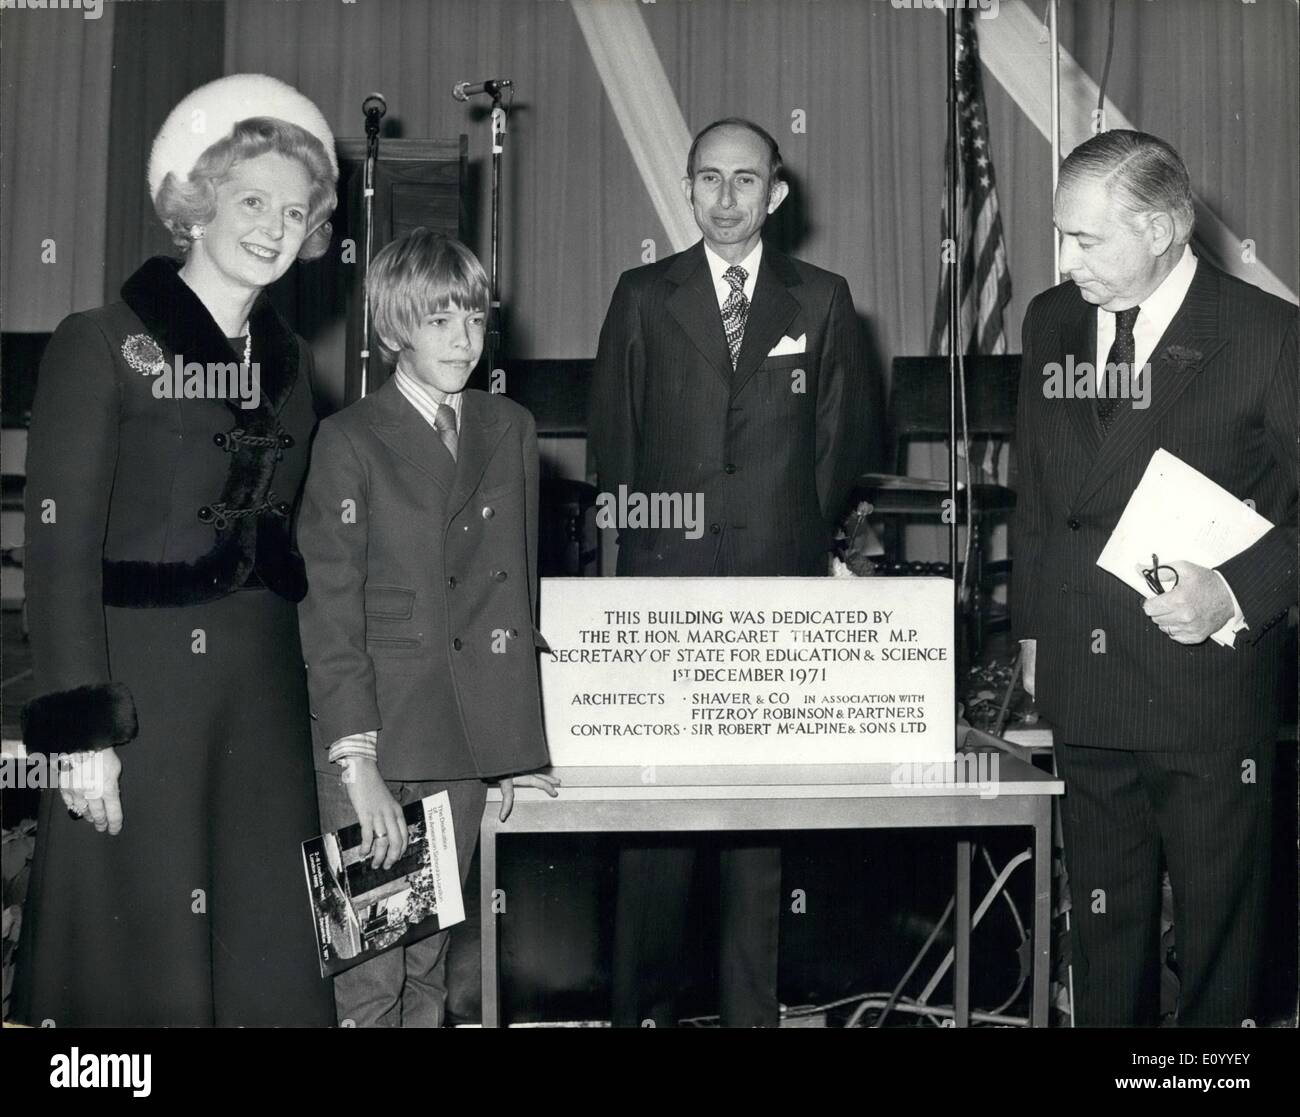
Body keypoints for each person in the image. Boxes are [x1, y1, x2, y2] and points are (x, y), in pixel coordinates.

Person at [14, 74, 340, 1026]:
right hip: (141, 703)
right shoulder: (101, 344)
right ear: (196, 207)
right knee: (142, 969)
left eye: (295, 211)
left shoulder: (290, 376)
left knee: (263, 958)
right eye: (251, 202)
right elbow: (57, 551)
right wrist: (81, 735)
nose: (276, 228)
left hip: (262, 706)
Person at [1013, 129, 1297, 1027]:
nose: (1066, 260)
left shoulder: (1269, 336)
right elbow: (1039, 491)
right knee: (1104, 929)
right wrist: (1029, 636)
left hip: (1206, 687)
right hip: (1084, 674)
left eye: (1088, 240)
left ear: (1168, 227)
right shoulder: (1050, 321)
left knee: (1219, 939)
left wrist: (1236, 589)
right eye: (1062, 234)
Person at [588, 118, 866, 1027]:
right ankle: (640, 1013)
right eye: (708, 178)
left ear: (775, 194)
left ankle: (753, 1015)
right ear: (687, 187)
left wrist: (789, 538)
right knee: (653, 823)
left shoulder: (822, 300)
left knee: (760, 824)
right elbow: (613, 451)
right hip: (661, 590)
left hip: (775, 589)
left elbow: (840, 447)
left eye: (745, 179)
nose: (726, 196)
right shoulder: (641, 294)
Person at [296, 230, 559, 1028]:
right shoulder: (348, 440)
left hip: (464, 746)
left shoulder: (509, 426)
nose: (462, 340)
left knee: (431, 969)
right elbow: (330, 610)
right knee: (371, 976)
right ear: (392, 331)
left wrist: (511, 744)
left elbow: (510, 597)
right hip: (377, 741)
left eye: (474, 320)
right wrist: (357, 764)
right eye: (438, 321)